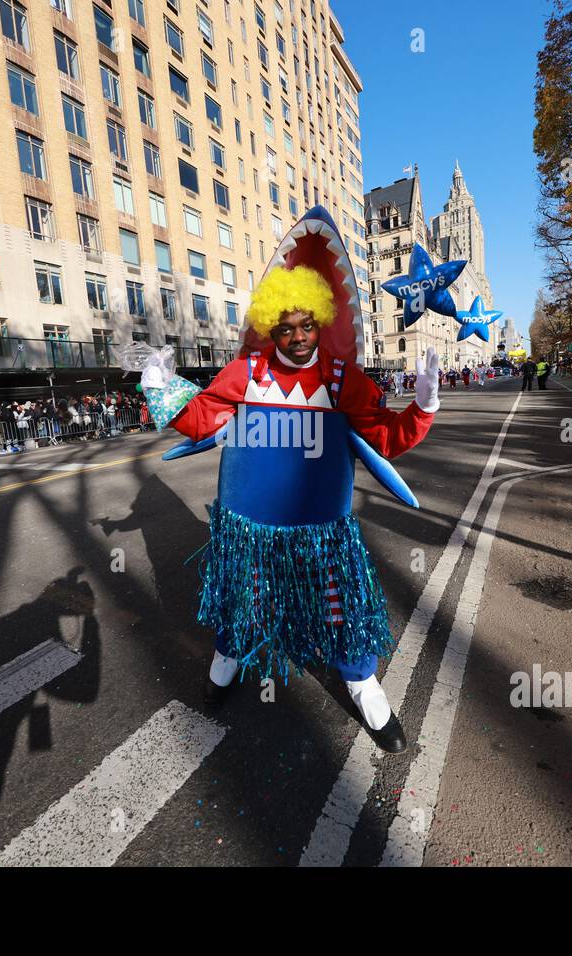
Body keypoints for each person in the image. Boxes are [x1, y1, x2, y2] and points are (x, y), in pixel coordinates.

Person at [138, 257, 440, 754]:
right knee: (243, 598)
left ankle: (361, 683)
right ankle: (229, 656)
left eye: (305, 326)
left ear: (319, 323)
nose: (297, 338)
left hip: (323, 529)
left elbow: (385, 439)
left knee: (340, 608)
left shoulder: (344, 380)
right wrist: (160, 389)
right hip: (250, 529)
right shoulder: (247, 372)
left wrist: (422, 407)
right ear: (271, 332)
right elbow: (200, 420)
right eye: (285, 329)